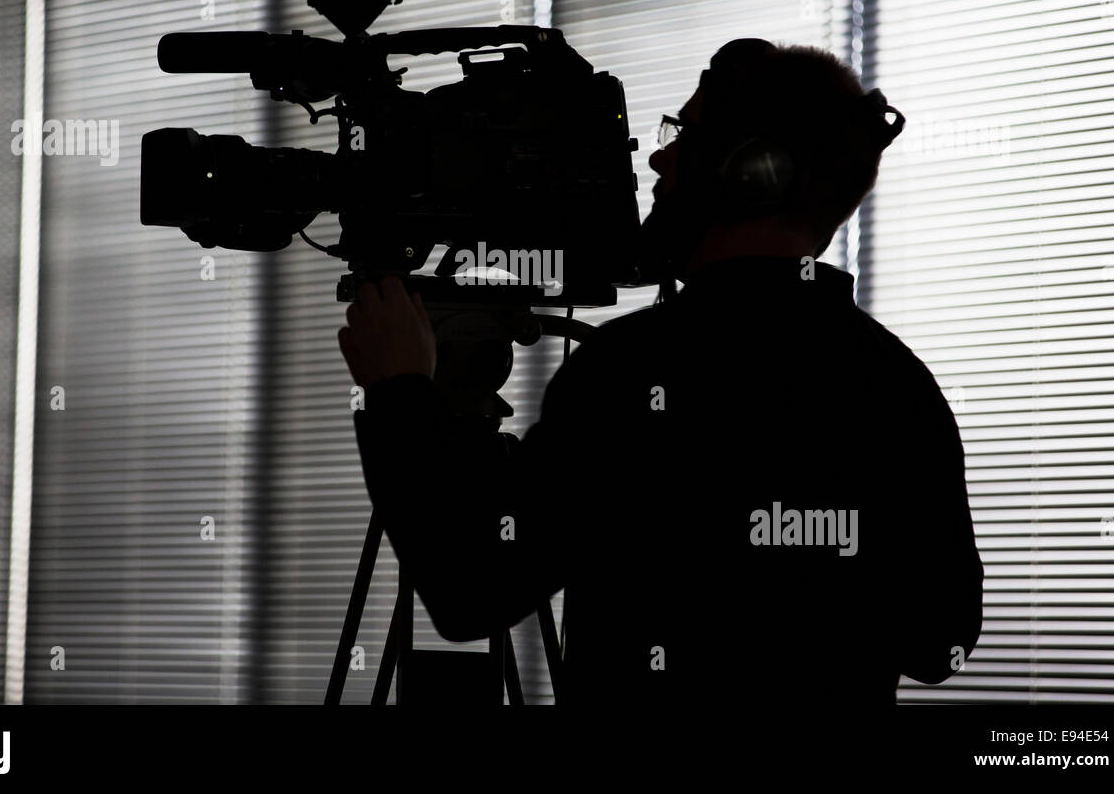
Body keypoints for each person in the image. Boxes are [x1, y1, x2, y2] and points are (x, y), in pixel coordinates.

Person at [338, 38, 984, 706]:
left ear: (751, 174)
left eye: (683, 135)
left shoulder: (633, 369)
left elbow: (470, 587)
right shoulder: (898, 384)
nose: (658, 156)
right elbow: (940, 643)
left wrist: (397, 391)